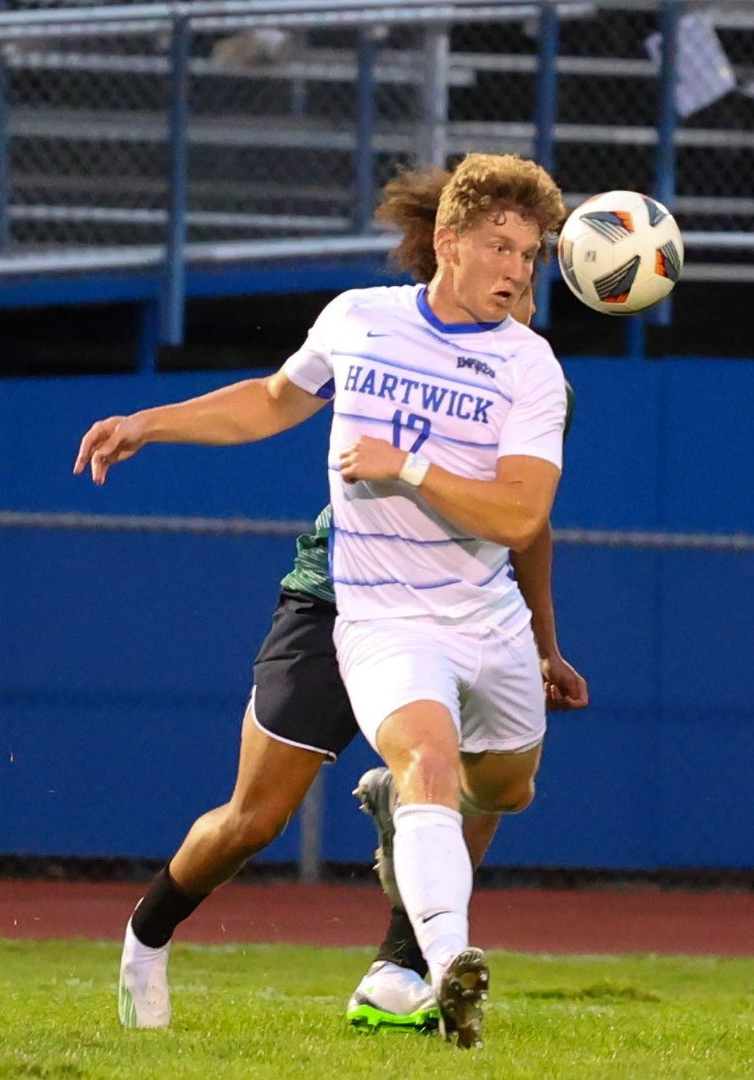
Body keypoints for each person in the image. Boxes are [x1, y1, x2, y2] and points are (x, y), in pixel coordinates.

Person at [74, 153, 578, 1049]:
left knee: (487, 787)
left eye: (531, 256)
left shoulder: (530, 370)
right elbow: (272, 400)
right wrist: (149, 422)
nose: (517, 269)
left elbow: (526, 522)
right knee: (253, 820)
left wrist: (544, 640)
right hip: (344, 600)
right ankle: (146, 938)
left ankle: (402, 969)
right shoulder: (360, 321)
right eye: (502, 247)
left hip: (460, 617)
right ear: (448, 244)